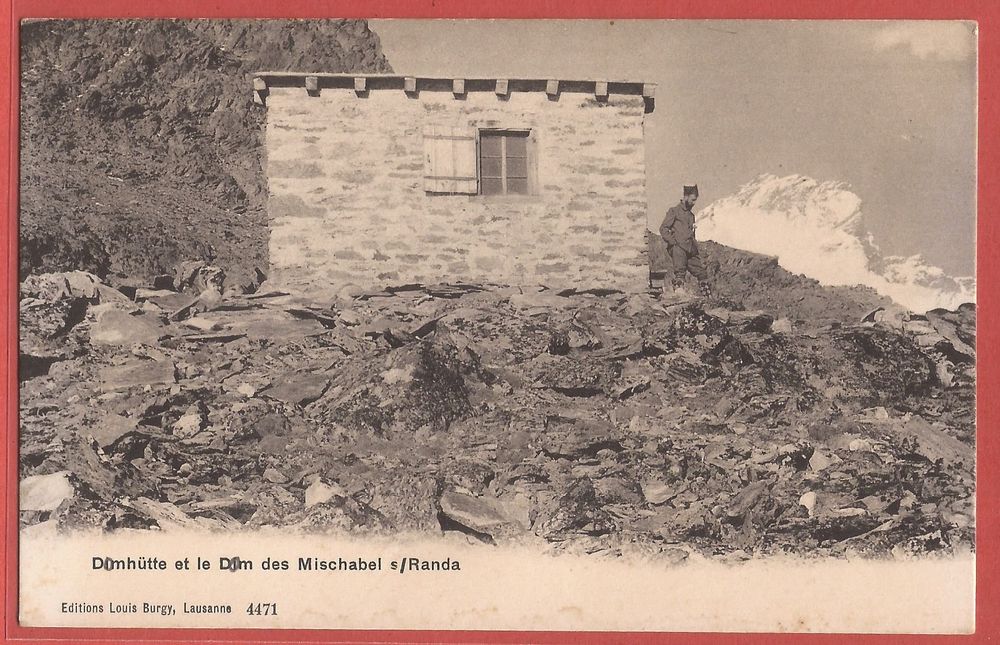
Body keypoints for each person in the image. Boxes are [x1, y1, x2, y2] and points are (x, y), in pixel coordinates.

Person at [659, 184, 711, 297]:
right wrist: (673, 243)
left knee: (702, 273)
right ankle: (679, 297)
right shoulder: (674, 211)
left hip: (691, 249)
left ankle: (707, 299)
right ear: (686, 197)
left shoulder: (691, 215)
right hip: (679, 248)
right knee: (680, 273)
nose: (694, 203)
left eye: (695, 200)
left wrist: (694, 247)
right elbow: (663, 229)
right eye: (692, 200)